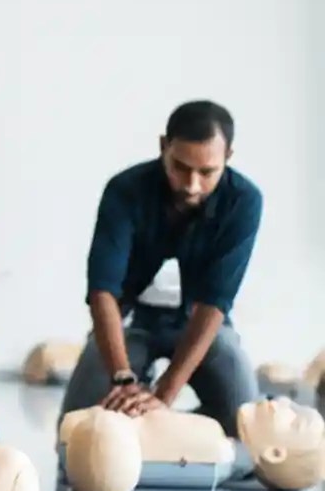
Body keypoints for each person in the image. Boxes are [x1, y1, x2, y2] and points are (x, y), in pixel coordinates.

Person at [59, 100, 261, 436]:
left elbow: (215, 303)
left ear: (228, 157)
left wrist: (164, 396)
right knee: (77, 427)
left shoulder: (244, 201)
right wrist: (123, 379)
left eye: (207, 172)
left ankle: (167, 429)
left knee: (244, 423)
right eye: (181, 167)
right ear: (163, 147)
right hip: (131, 323)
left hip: (201, 325)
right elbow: (103, 291)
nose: (192, 185)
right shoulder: (124, 190)